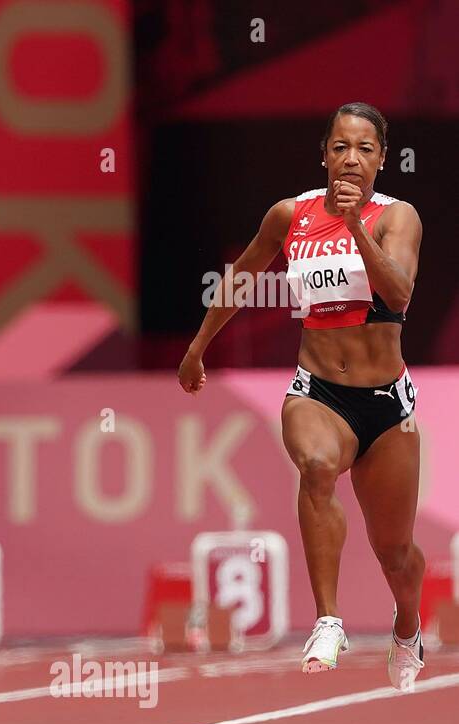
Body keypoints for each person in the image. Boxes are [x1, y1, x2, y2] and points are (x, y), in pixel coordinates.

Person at [177, 103, 425, 691]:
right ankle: (329, 619)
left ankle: (408, 625)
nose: (352, 159)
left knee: (396, 552)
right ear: (324, 154)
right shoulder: (290, 215)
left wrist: (356, 227)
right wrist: (197, 347)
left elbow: (400, 291)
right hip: (318, 391)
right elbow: (240, 276)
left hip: (388, 407)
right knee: (315, 467)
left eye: (366, 149)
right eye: (341, 147)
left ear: (382, 160)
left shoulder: (399, 217)